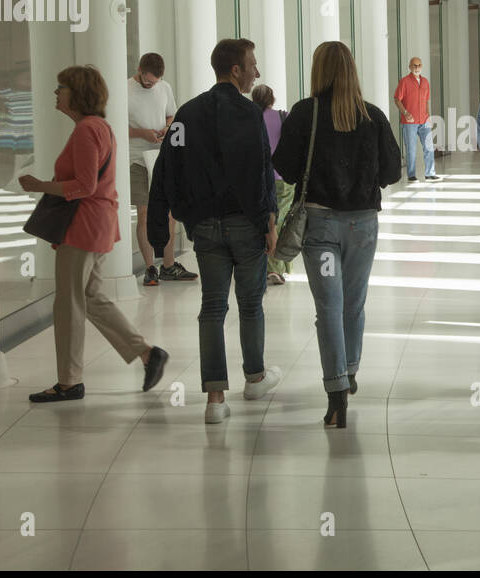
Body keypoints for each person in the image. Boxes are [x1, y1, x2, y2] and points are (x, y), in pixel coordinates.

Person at [148, 39, 282, 424]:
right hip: (245, 223)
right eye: (252, 65)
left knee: (212, 307)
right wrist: (269, 221)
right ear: (236, 70)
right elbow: (262, 172)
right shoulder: (249, 114)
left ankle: (215, 399)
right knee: (251, 303)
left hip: (205, 226)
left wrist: (169, 222)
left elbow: (166, 169)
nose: (256, 72)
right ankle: (254, 377)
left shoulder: (187, 114)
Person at [18, 65, 168, 403]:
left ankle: (69, 381)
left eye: (62, 87)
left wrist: (41, 186)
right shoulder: (99, 127)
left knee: (69, 303)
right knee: (91, 298)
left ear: (77, 92)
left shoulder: (87, 130)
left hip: (82, 225)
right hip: (96, 223)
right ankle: (147, 354)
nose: (56, 93)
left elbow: (84, 186)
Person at [273, 41, 401, 428]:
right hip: (362, 225)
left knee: (328, 307)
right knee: (354, 303)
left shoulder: (304, 114)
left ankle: (336, 393)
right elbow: (392, 172)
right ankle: (350, 369)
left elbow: (286, 168)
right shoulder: (373, 116)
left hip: (322, 225)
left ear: (319, 70)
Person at [128, 52, 196, 287]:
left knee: (170, 212)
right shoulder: (125, 90)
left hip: (161, 157)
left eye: (154, 82)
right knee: (144, 214)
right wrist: (141, 133)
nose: (151, 85)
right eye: (147, 81)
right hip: (136, 159)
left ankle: (168, 265)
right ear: (139, 70)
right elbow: (116, 125)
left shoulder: (164, 87)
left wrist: (167, 128)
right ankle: (149, 267)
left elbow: (171, 115)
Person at [252, 85, 293, 286]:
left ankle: (261, 265)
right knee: (280, 221)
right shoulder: (283, 117)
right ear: (272, 99)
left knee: (260, 221)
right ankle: (275, 268)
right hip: (281, 178)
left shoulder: (249, 118)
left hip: (256, 178)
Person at [394, 56, 438, 182]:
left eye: (419, 65)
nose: (417, 68)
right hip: (409, 122)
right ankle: (411, 175)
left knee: (429, 147)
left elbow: (426, 101)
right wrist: (405, 112)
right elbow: (397, 99)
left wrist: (428, 116)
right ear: (410, 67)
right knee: (411, 149)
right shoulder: (404, 82)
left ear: (422, 66)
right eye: (414, 65)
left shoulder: (425, 82)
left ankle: (430, 173)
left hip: (424, 120)